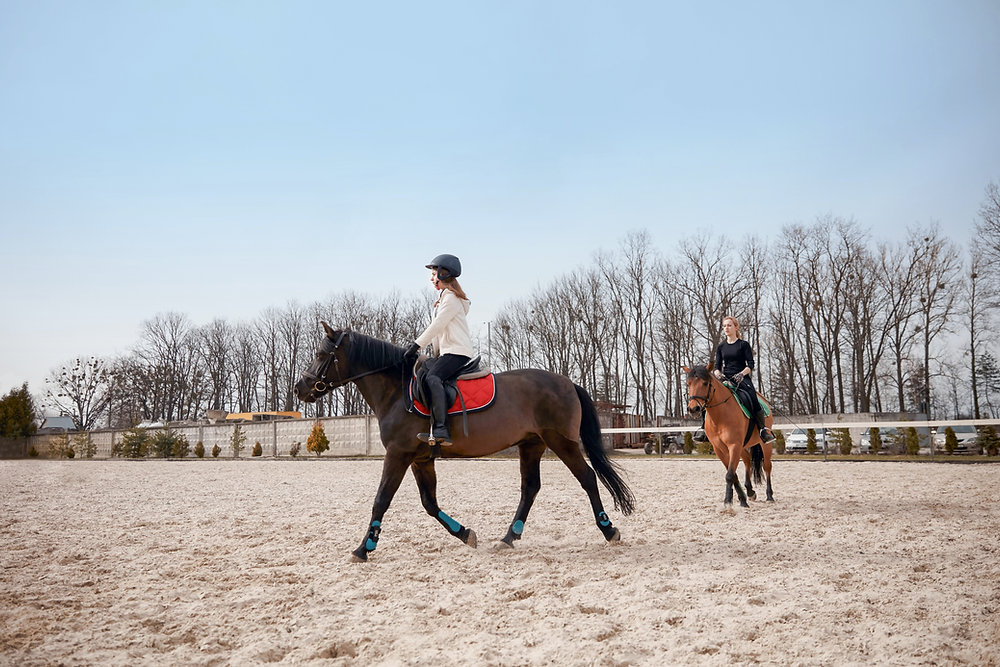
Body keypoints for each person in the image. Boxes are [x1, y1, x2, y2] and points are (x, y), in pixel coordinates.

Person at [403, 254, 475, 446]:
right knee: (425, 369)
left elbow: (437, 326)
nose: (431, 278)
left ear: (444, 274)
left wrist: (416, 345)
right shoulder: (444, 298)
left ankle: (442, 429)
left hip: (457, 352)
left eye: (434, 273)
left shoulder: (450, 298)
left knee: (434, 377)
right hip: (447, 352)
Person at [713, 315, 776, 444]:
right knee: (710, 397)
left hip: (742, 378)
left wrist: (741, 374)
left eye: (729, 325)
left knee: (753, 398)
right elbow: (716, 367)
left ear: (736, 327)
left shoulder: (743, 345)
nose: (726, 328)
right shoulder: (721, 347)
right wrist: (718, 374)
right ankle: (703, 429)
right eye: (724, 326)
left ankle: (763, 430)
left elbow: (750, 365)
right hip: (725, 379)